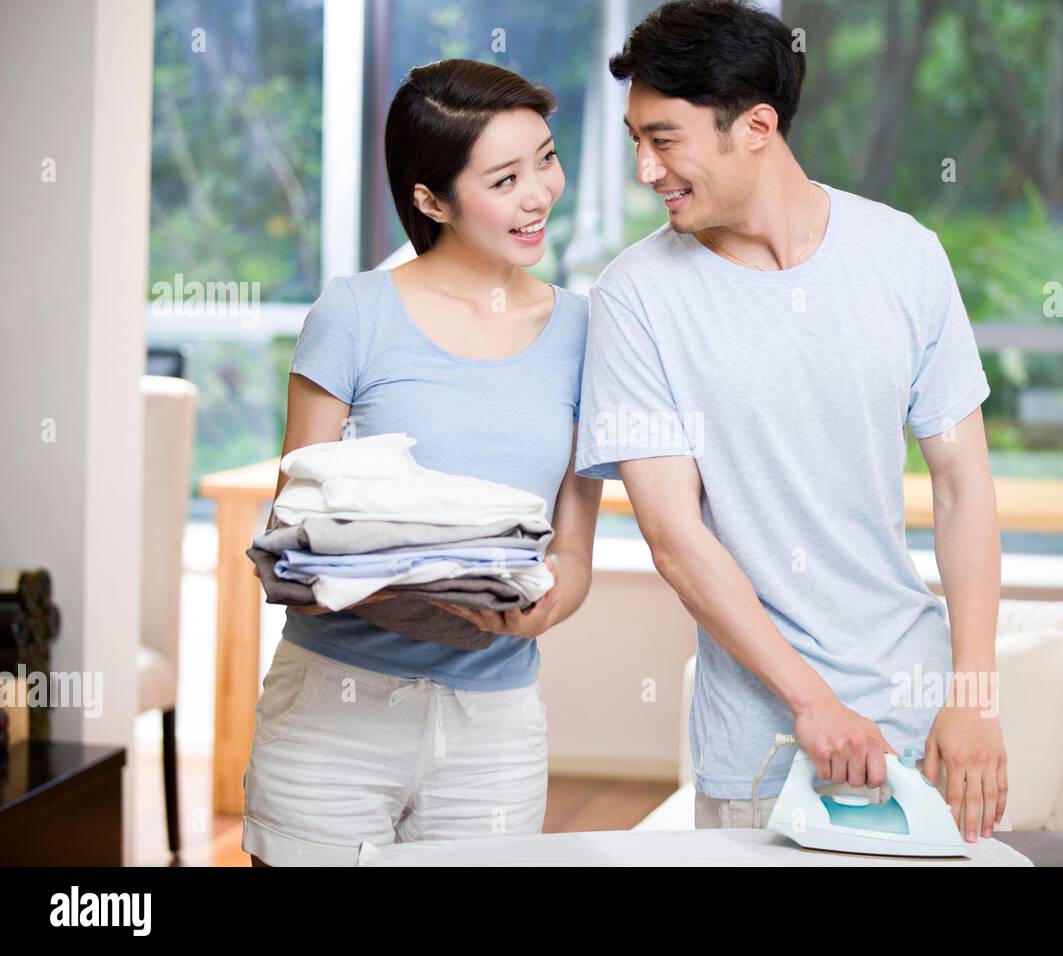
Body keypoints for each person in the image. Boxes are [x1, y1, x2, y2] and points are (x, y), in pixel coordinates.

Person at [575, 0, 1007, 841]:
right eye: (636, 141)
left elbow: (963, 487)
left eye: (663, 140)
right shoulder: (635, 297)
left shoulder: (905, 256)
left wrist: (975, 695)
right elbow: (674, 538)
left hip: (925, 728)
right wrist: (815, 704)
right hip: (761, 744)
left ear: (757, 126)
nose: (645, 169)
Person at [243, 59, 602, 866]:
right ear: (431, 199)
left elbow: (573, 551)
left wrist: (545, 607)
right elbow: (289, 531)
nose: (540, 194)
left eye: (545, 159)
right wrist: (405, 576)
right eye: (504, 179)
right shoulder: (355, 314)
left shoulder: (586, 332)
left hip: (494, 726)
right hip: (334, 714)